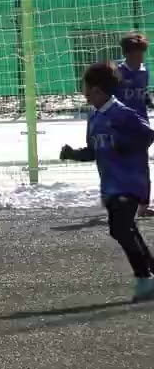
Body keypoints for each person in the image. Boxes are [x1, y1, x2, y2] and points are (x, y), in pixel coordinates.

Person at [60, 61, 154, 302]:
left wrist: (121, 143)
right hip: (111, 185)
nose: (83, 93)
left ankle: (144, 279)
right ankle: (150, 269)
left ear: (99, 90)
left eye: (85, 88)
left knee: (120, 228)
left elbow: (147, 135)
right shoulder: (94, 117)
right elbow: (94, 151)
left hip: (130, 182)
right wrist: (73, 154)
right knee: (124, 229)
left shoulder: (122, 113)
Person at [118, 33, 152, 217]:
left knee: (142, 165)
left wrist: (149, 100)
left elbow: (143, 93)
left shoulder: (144, 71)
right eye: (136, 54)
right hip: (121, 126)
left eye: (142, 54)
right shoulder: (117, 73)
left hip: (141, 126)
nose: (140, 58)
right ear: (127, 54)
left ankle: (144, 206)